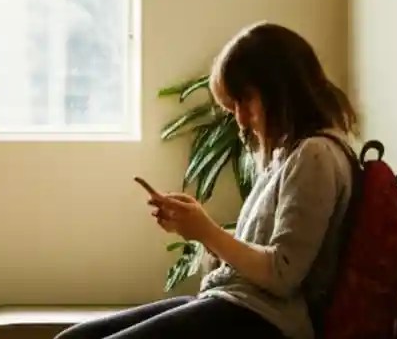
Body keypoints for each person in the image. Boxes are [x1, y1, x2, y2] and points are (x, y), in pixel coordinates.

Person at [58, 22, 359, 339]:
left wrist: (207, 231)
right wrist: (195, 227)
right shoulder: (289, 154)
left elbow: (282, 274)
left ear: (281, 90)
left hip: (267, 321)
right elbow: (266, 253)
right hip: (236, 303)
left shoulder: (315, 156)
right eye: (234, 105)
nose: (240, 118)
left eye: (245, 100)